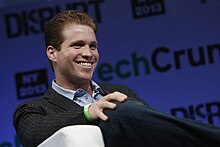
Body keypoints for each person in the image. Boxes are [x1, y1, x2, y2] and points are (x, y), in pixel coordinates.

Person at [13, 10, 220, 147]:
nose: (88, 53)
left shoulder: (122, 90)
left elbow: (158, 130)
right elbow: (32, 134)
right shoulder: (33, 109)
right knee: (117, 109)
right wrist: (89, 112)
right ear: (52, 53)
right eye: (77, 45)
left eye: (92, 46)